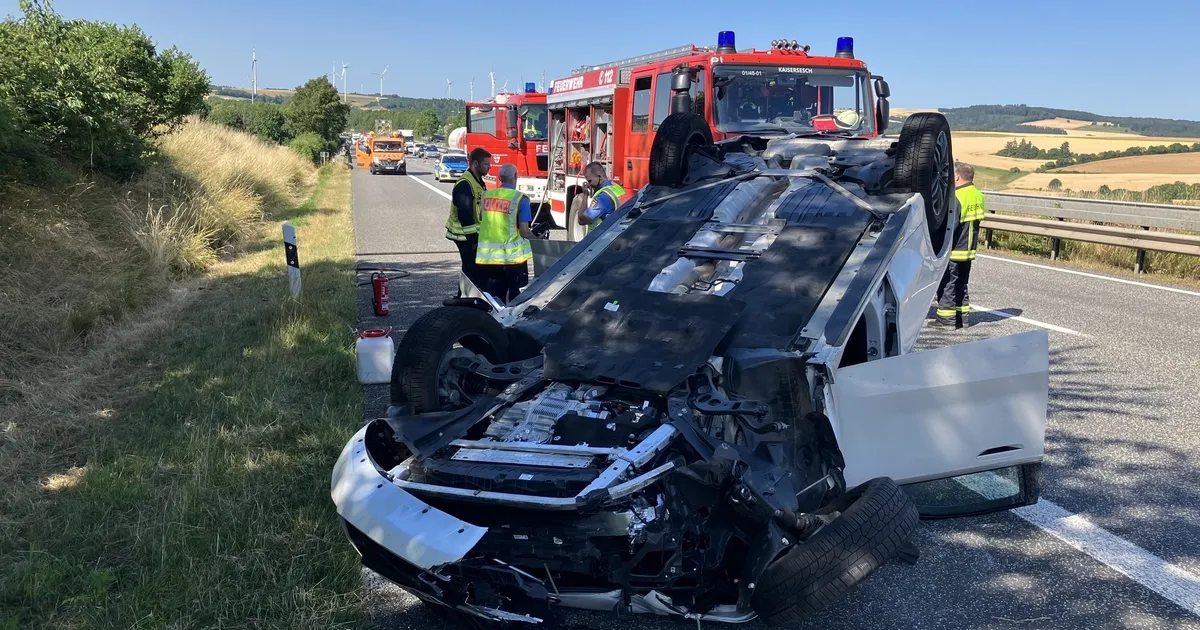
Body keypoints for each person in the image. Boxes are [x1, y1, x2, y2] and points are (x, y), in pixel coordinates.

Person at [476, 163, 540, 303]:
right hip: (513, 259)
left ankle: (493, 323)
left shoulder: (487, 196)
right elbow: (524, 232)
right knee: (516, 298)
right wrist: (538, 239)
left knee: (494, 298)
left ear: (499, 177)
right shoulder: (520, 199)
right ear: (515, 177)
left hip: (490, 257)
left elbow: (482, 218)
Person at [934, 163, 987, 328]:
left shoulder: (957, 196)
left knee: (948, 283)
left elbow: (952, 225)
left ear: (957, 177)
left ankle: (947, 320)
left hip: (955, 249)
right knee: (962, 283)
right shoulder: (978, 195)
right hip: (969, 250)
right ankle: (962, 319)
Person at [446, 147, 491, 295]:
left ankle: (465, 297)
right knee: (471, 268)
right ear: (475, 164)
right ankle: (464, 298)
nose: (489, 167)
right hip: (464, 235)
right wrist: (474, 241)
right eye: (486, 164)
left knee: (471, 268)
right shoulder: (465, 183)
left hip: (472, 234)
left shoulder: (478, 181)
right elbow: (465, 214)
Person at [576, 161, 627, 232]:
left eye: (590, 181)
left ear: (599, 177)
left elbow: (581, 220)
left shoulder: (603, 197)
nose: (589, 184)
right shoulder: (616, 187)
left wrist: (585, 196)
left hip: (601, 239)